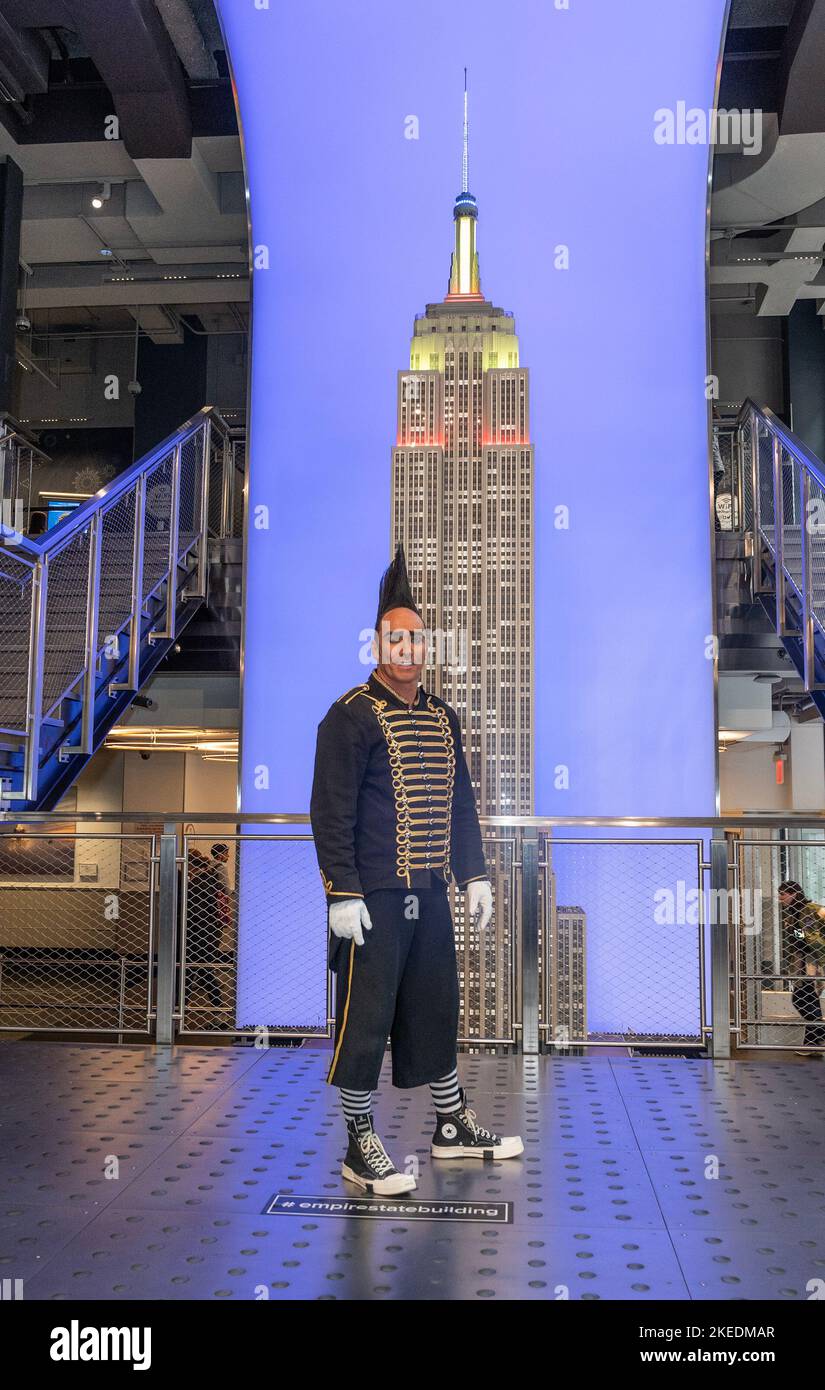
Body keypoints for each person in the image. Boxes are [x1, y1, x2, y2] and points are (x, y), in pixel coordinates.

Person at [310, 543, 523, 1196]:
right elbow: (330, 810)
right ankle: (358, 1142)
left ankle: (451, 1125)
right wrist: (341, 893)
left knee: (435, 1008)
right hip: (373, 898)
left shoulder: (442, 717)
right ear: (377, 644)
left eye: (416, 639)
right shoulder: (348, 717)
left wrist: (474, 873)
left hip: (428, 894)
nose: (406, 649)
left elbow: (461, 802)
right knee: (366, 1018)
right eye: (394, 638)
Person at [777, 880, 825, 1056]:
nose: (780, 898)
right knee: (808, 1000)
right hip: (803, 961)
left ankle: (816, 1038)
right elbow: (802, 936)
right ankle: (814, 1042)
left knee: (801, 998)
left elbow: (809, 937)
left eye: (783, 894)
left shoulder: (805, 910)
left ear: (793, 894)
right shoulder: (794, 912)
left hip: (809, 962)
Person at [185, 849, 224, 1012]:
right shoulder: (213, 880)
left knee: (196, 972)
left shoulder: (195, 885)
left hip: (198, 936)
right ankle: (180, 1008)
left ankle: (219, 1011)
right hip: (211, 934)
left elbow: (195, 913)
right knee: (196, 971)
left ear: (191, 865)